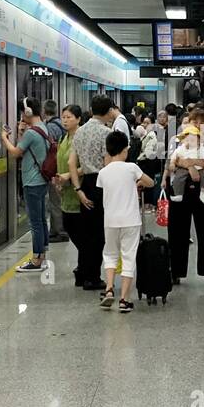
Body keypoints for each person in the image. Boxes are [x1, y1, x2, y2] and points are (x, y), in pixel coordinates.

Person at [96, 130, 153, 312]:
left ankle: (109, 288)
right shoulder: (132, 168)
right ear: (125, 150)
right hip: (130, 220)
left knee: (110, 254)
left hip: (110, 220)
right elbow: (150, 182)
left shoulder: (103, 173)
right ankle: (124, 300)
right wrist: (138, 183)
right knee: (128, 257)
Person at [69, 95, 114, 292]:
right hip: (100, 183)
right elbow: (107, 163)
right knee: (98, 234)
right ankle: (93, 277)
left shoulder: (80, 132)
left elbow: (72, 163)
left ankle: (82, 273)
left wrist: (78, 189)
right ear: (107, 111)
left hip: (84, 182)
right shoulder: (107, 132)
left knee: (86, 231)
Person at [166, 120, 204, 288]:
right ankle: (176, 271)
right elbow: (171, 164)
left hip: (201, 190)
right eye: (188, 123)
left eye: (197, 123)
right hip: (181, 190)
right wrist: (189, 166)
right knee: (178, 231)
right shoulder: (176, 143)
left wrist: (195, 164)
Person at [1, 106, 50, 273]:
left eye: (22, 114)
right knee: (42, 219)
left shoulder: (31, 133)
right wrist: (21, 132)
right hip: (42, 180)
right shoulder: (43, 127)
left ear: (27, 113)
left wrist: (4, 138)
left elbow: (16, 152)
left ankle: (36, 260)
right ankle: (42, 254)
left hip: (32, 181)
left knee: (35, 222)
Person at [52, 104, 85, 287]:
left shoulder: (80, 138)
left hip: (78, 190)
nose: (65, 120)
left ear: (79, 119)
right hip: (65, 191)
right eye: (63, 117)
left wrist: (69, 176)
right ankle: (84, 264)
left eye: (69, 117)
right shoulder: (64, 137)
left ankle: (84, 265)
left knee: (79, 232)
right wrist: (59, 179)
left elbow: (87, 165)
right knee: (70, 228)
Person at [41, 99, 68, 243]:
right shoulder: (61, 125)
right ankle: (55, 229)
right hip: (61, 166)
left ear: (44, 111)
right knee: (57, 199)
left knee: (54, 201)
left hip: (54, 168)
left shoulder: (50, 127)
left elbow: (47, 147)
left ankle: (59, 231)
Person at [169, 124, 204, 205]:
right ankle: (178, 194)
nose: (189, 142)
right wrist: (172, 163)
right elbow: (175, 157)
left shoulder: (201, 149)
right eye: (187, 140)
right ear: (183, 140)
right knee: (178, 178)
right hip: (183, 168)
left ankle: (203, 193)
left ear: (198, 141)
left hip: (199, 168)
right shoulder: (181, 148)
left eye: (192, 140)